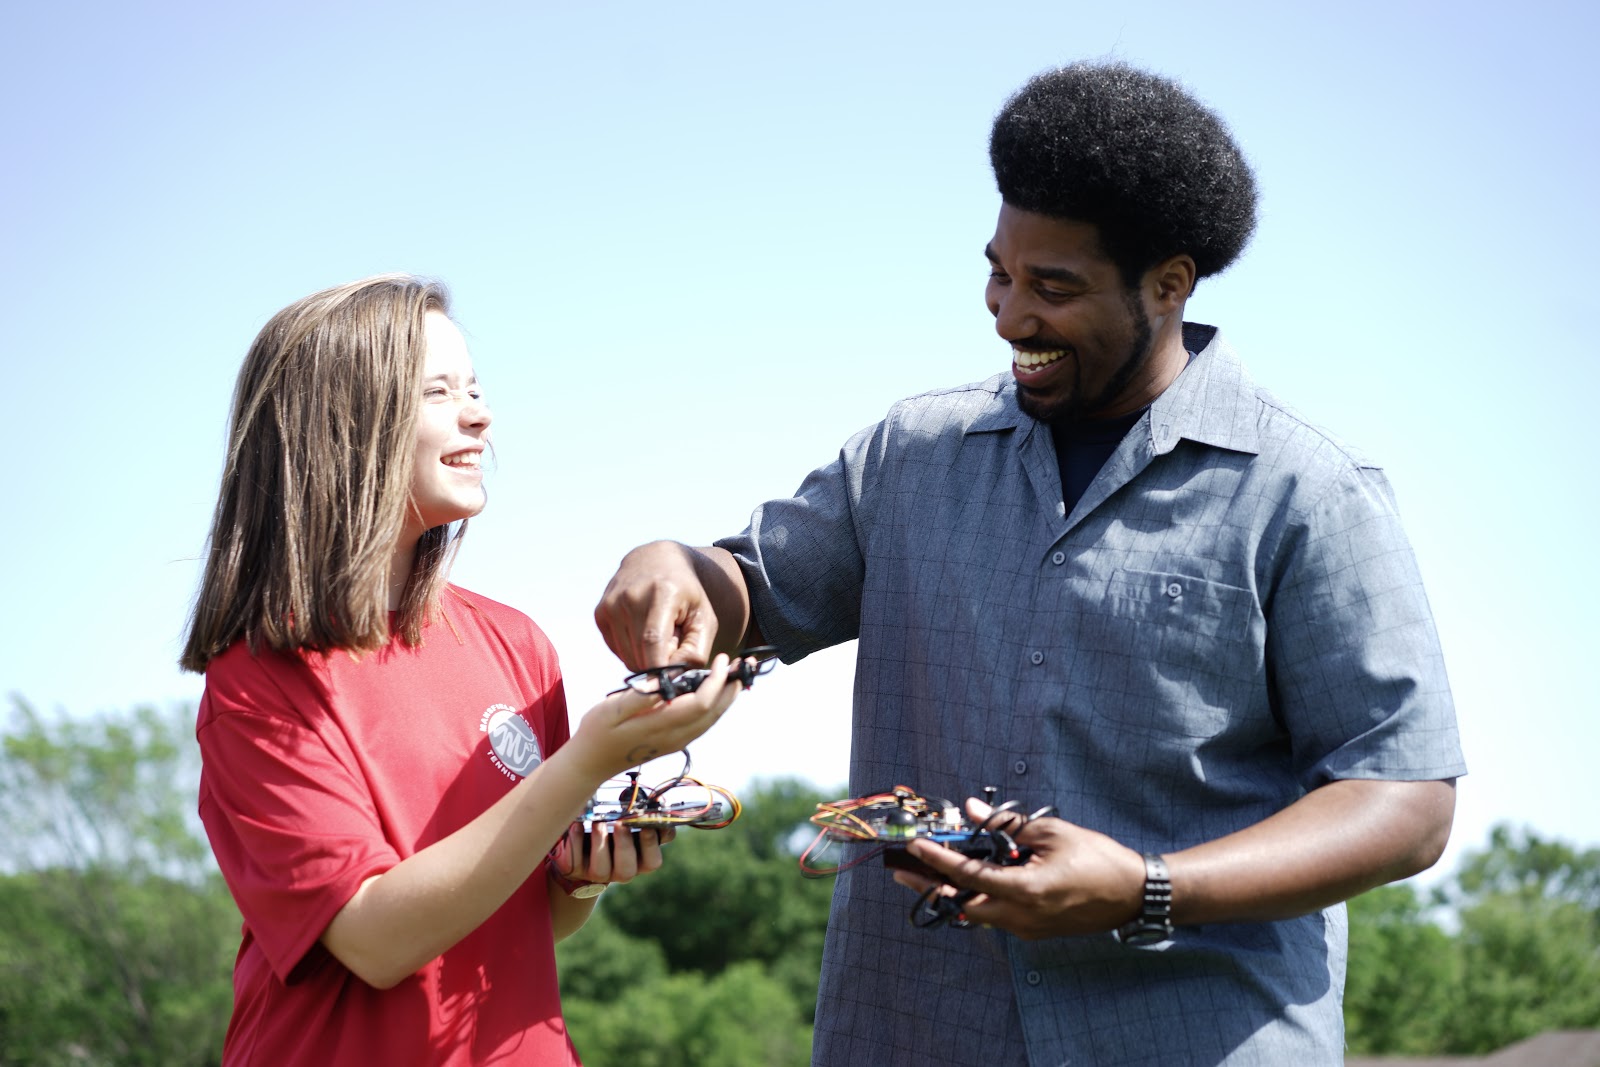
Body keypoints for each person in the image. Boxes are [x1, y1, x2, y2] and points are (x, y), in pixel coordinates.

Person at [594, 62, 1466, 1066]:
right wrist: (675, 566)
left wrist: (1146, 886)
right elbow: (748, 587)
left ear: (1168, 283)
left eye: (1053, 287)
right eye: (1000, 271)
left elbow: (1403, 805)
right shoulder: (909, 456)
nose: (1008, 314)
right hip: (912, 1032)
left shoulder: (1307, 494)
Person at [181, 275, 745, 1065]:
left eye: (474, 388)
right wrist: (587, 761)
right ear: (344, 426)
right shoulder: (259, 681)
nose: (480, 414)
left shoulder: (517, 644)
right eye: (439, 392)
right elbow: (377, 940)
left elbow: (522, 921)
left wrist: (580, 879)